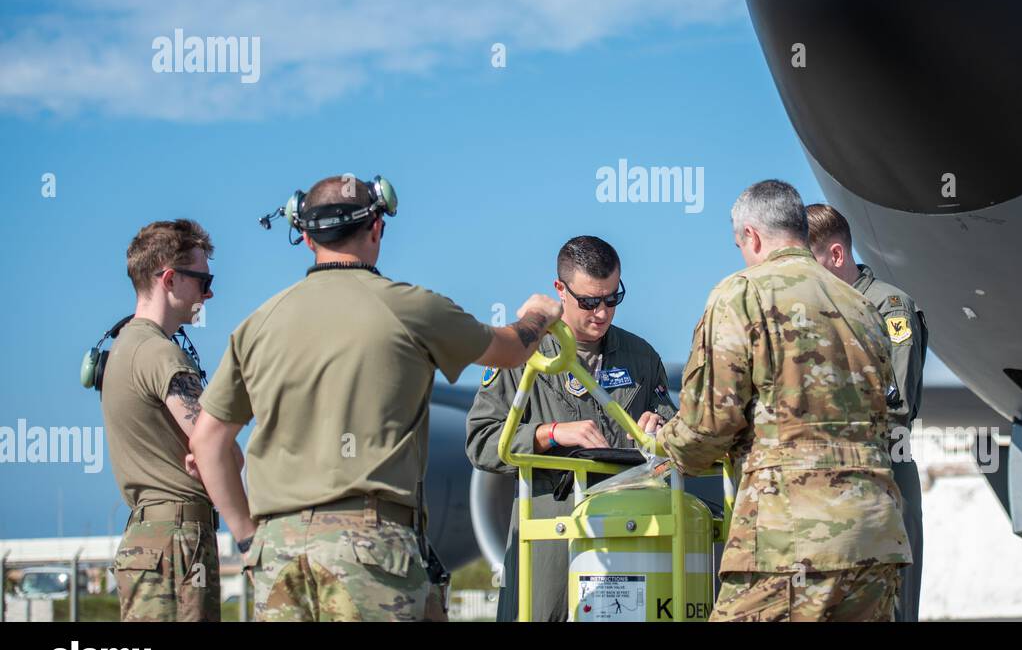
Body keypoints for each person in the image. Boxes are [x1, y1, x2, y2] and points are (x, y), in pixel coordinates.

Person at [191, 174, 560, 621]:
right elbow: (511, 349)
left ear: (305, 237)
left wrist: (249, 539)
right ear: (377, 228)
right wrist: (539, 315)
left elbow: (208, 441)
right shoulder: (411, 309)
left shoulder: (257, 325)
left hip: (279, 552)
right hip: (369, 545)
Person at [656, 180, 910, 621]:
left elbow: (708, 426)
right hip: (876, 533)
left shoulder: (741, 294)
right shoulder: (862, 307)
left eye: (740, 243)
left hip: (790, 537)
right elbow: (884, 415)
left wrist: (663, 444)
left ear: (751, 236)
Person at [466, 235, 676, 621]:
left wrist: (661, 425)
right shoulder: (518, 352)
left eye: (613, 298)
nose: (602, 313)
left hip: (626, 539)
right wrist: (549, 434)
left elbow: (671, 429)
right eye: (590, 301)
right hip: (548, 537)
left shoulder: (641, 357)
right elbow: (481, 441)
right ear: (560, 289)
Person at [102, 219, 231, 621]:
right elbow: (213, 445)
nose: (208, 293)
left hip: (149, 538)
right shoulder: (162, 355)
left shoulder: (123, 348)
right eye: (202, 280)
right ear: (170, 279)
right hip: (178, 543)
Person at [806, 202, 928, 622]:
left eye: (809, 262)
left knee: (890, 608)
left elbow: (895, 402)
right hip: (831, 482)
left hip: (883, 476)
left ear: (835, 255)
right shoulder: (814, 315)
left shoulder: (888, 308)